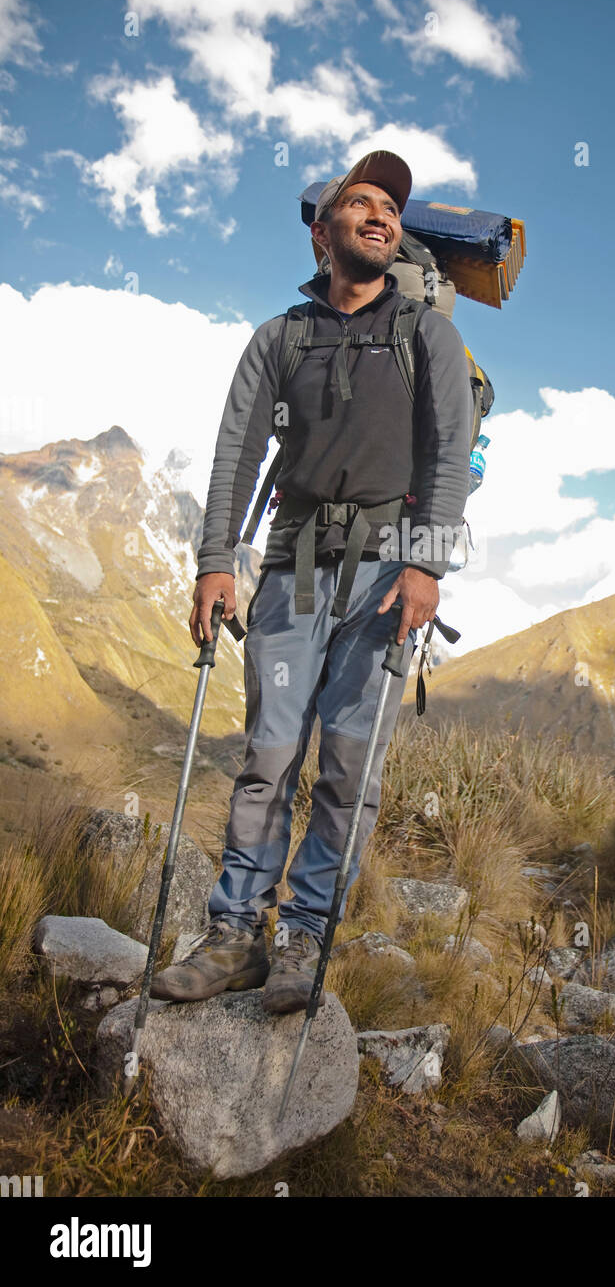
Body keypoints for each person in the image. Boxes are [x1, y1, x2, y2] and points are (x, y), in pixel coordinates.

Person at [153, 150, 472, 1012]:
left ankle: (302, 937)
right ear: (322, 231)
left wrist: (427, 564)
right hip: (291, 569)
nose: (380, 216)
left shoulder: (428, 335)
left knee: (348, 768)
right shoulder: (279, 337)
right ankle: (234, 935)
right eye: (360, 203)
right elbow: (237, 450)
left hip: (384, 578)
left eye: (391, 209)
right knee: (269, 753)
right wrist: (216, 559)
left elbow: (448, 456)